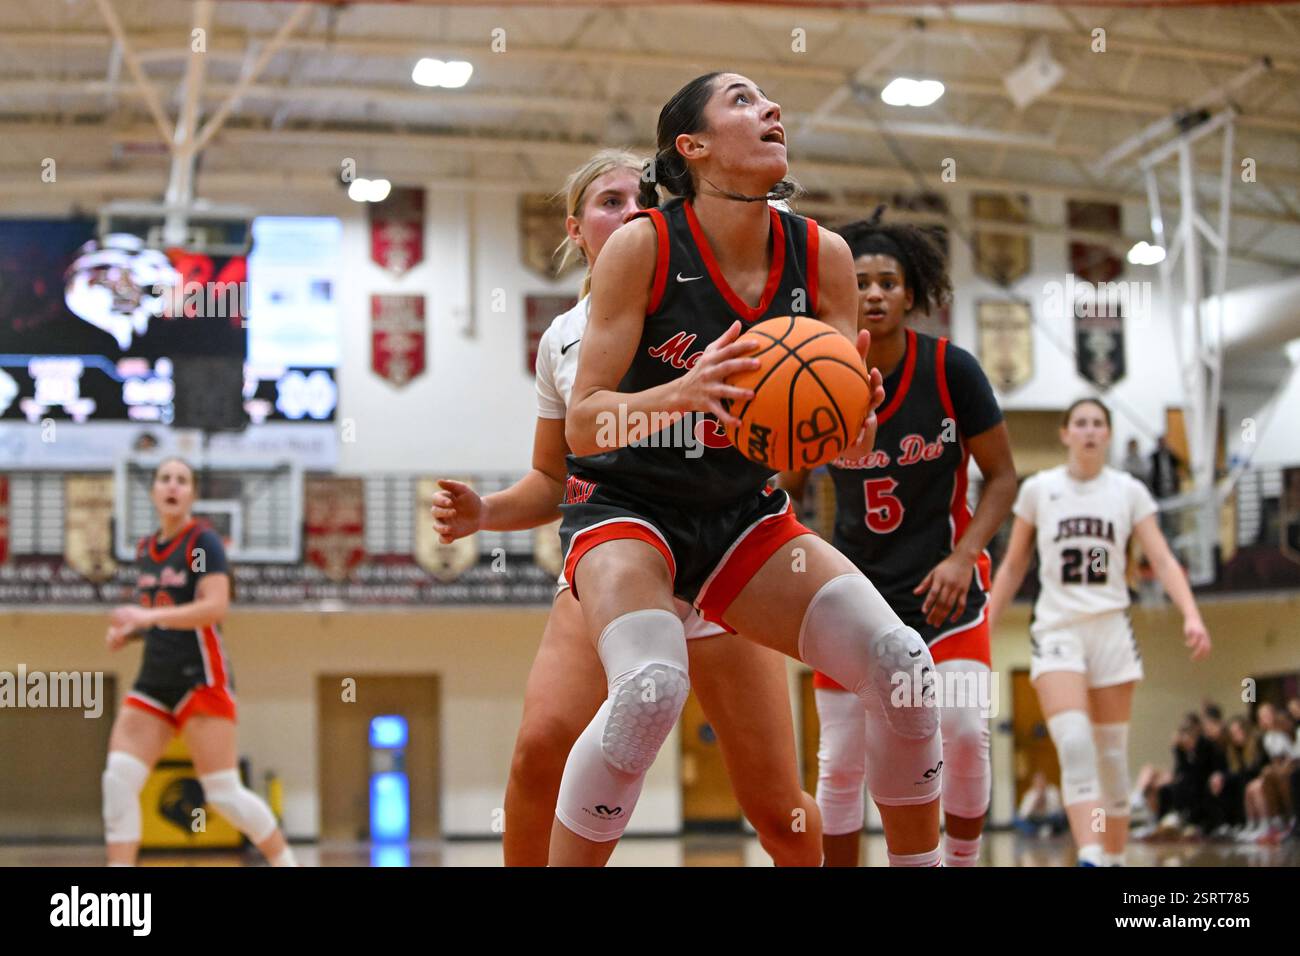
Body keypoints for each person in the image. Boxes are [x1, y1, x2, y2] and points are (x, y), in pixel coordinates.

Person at [552, 71, 944, 867]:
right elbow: (586, 421)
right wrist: (683, 393)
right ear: (691, 149)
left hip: (744, 514)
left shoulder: (822, 254)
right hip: (630, 510)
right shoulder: (645, 246)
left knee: (904, 669)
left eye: (768, 100)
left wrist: (849, 420)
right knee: (649, 691)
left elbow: (829, 448)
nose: (771, 110)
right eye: (741, 100)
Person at [432, 148, 823, 866]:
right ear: (577, 230)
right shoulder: (563, 338)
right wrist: (484, 513)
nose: (631, 209)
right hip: (618, 551)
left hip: (724, 547)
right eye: (609, 201)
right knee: (538, 753)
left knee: (776, 808)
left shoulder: (716, 296)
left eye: (643, 197)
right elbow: (553, 480)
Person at [782, 210, 1017, 866]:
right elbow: (785, 485)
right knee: (842, 760)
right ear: (841, 293)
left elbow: (1003, 476)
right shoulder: (820, 379)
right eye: (860, 282)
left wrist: (965, 555)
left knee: (967, 731)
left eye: (888, 281)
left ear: (911, 293)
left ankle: (963, 862)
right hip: (854, 597)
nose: (875, 293)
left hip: (948, 593)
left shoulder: (953, 370)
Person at [988, 398, 1212, 866]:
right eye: (1081, 423)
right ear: (1065, 433)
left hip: (1111, 626)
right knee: (1073, 742)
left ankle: (1113, 857)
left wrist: (1191, 614)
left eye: (1098, 424)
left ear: (1107, 435)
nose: (1090, 431)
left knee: (1111, 756)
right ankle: (1090, 853)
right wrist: (985, 625)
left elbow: (1164, 559)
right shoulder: (1040, 490)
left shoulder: (1128, 491)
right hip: (1057, 628)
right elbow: (1012, 565)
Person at [101, 457, 296, 866]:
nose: (172, 486)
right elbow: (166, 611)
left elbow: (213, 607)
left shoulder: (200, 546)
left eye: (182, 480)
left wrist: (148, 617)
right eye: (165, 479)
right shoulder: (146, 550)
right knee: (117, 781)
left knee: (223, 793)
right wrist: (131, 632)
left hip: (200, 679)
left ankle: (286, 862)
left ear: (192, 493)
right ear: (154, 491)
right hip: (154, 681)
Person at [1014, 770, 1067, 837]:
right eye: (1038, 781)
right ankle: (1041, 830)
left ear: (1046, 781)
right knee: (1016, 819)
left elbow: (1058, 810)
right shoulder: (1029, 794)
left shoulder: (1053, 791)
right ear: (1033, 782)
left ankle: (1038, 830)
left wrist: (1045, 800)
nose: (1040, 783)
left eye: (1042, 780)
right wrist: (1035, 804)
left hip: (1050, 818)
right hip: (1035, 819)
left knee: (1061, 818)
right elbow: (1023, 814)